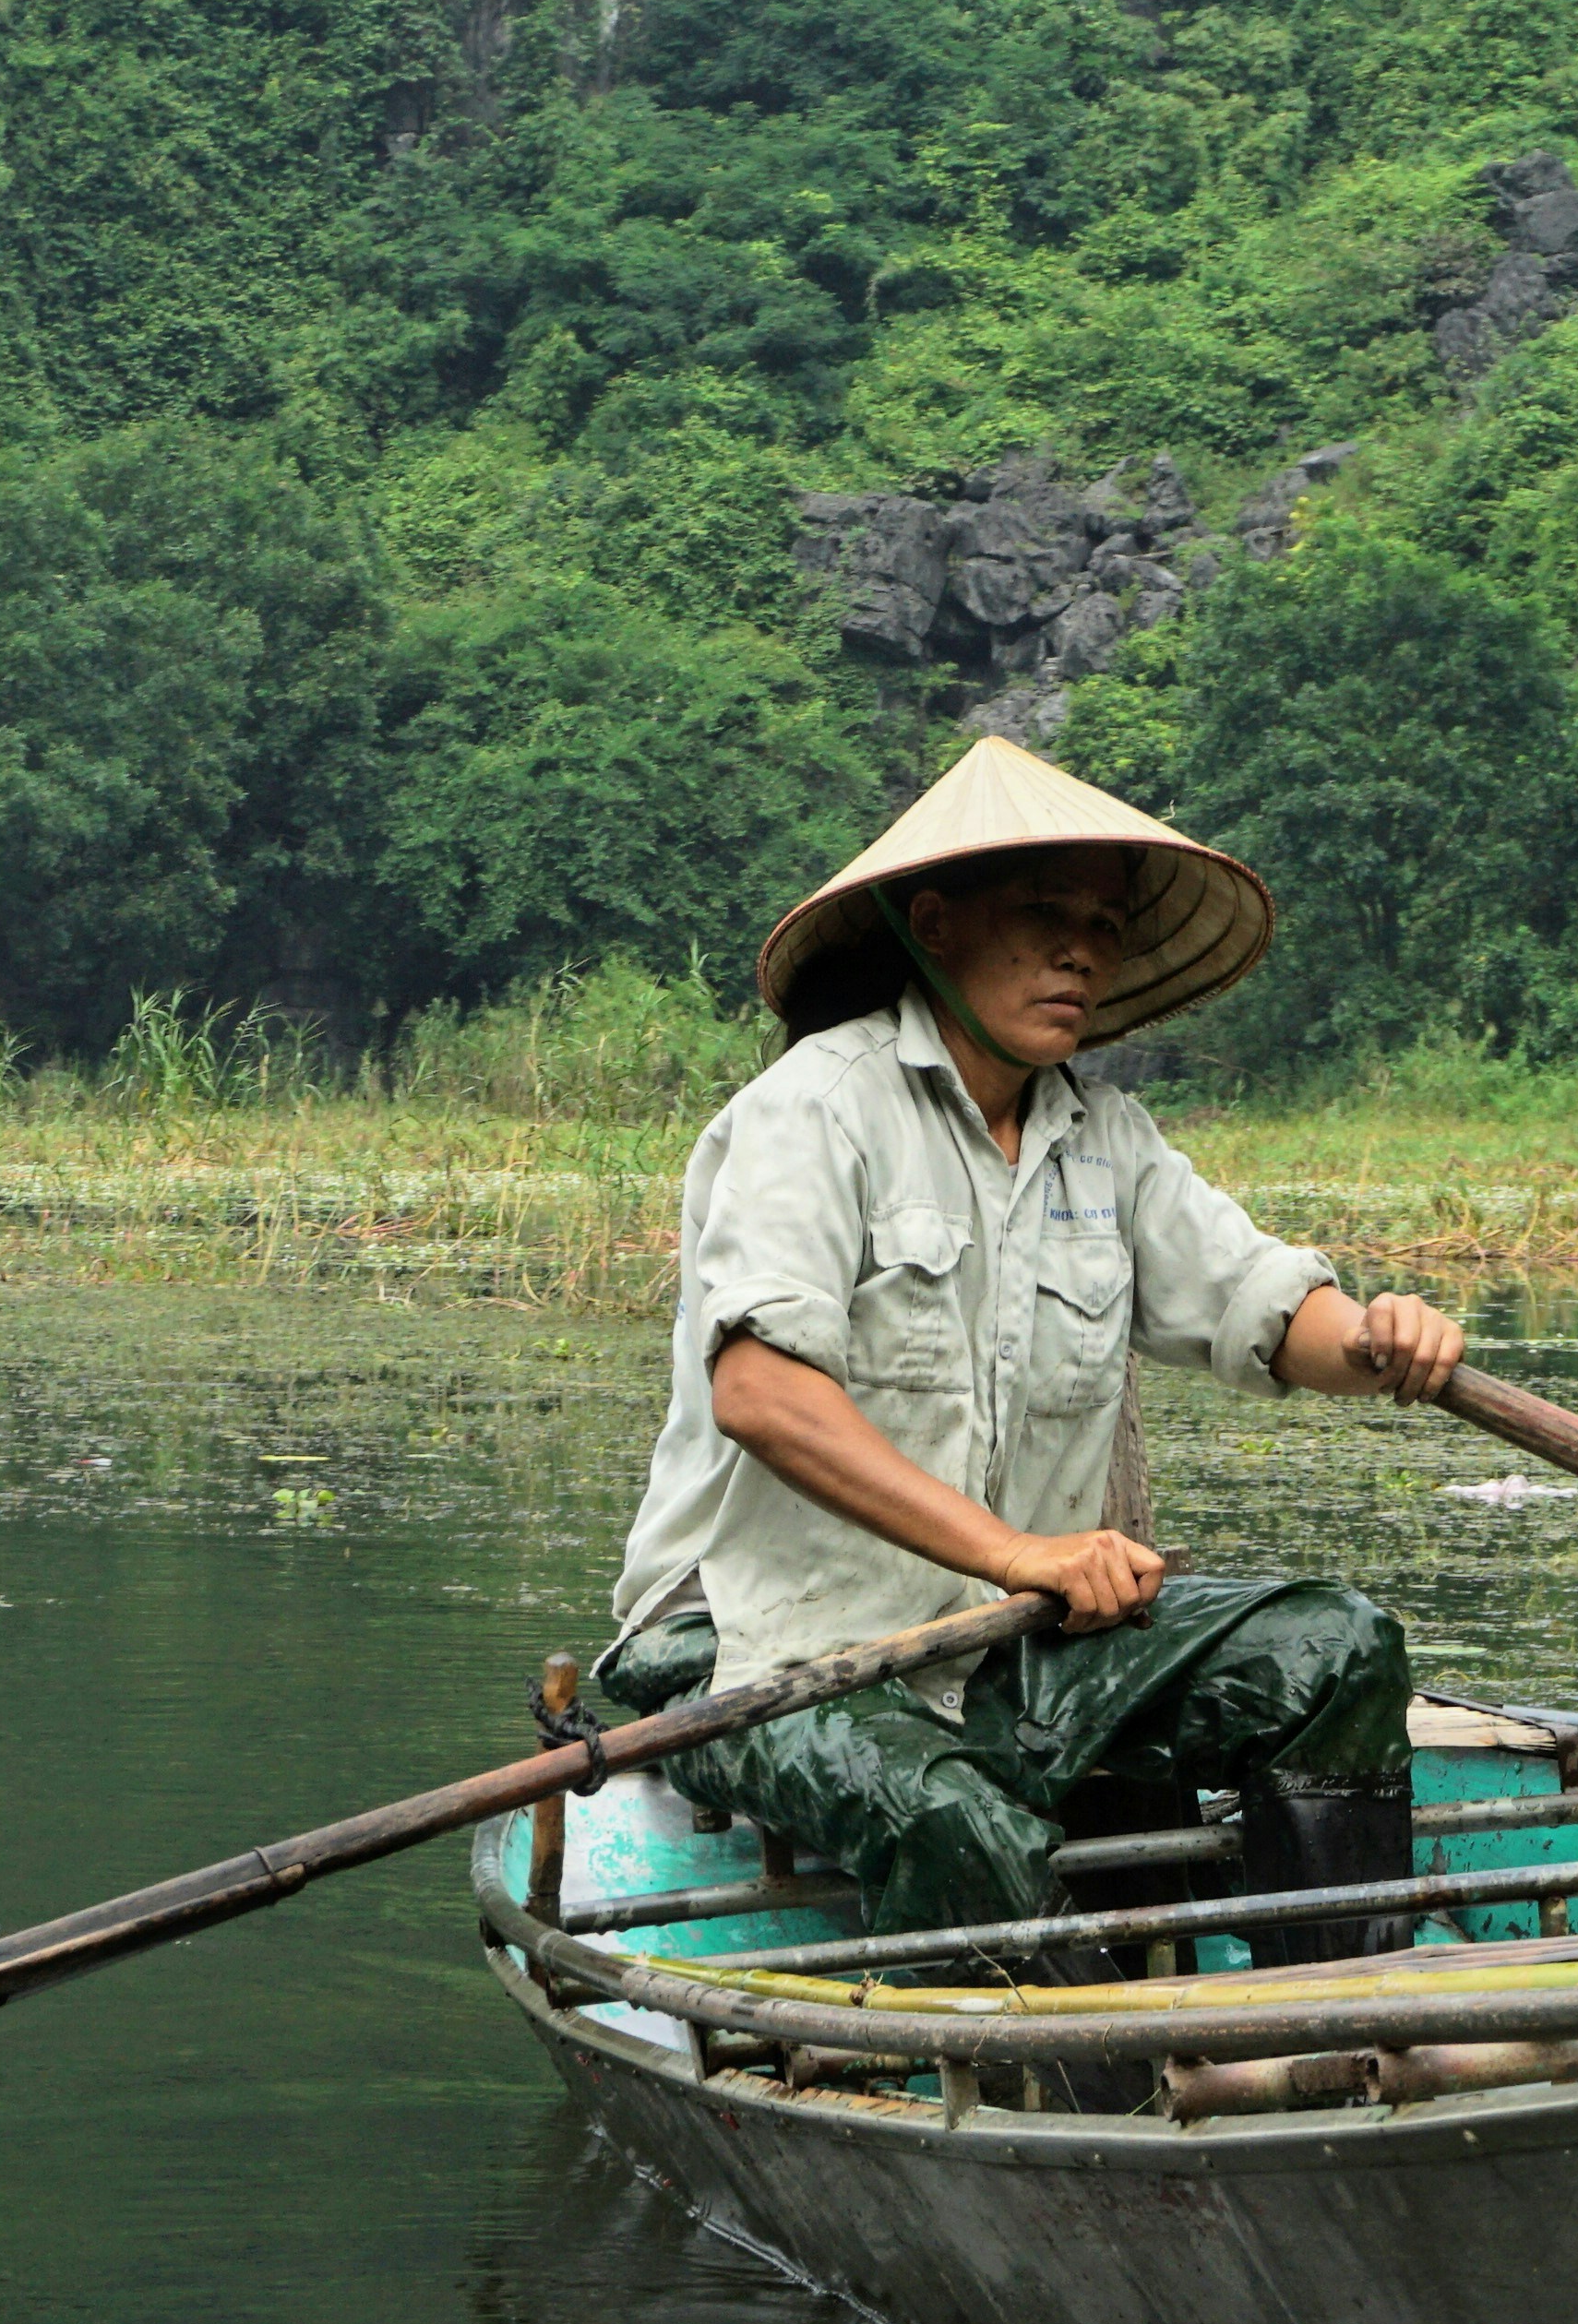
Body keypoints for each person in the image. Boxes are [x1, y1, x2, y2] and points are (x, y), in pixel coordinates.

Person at [592, 734, 1466, 1972]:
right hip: (763, 1647)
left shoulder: (1104, 1141)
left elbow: (1265, 1309)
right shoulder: (814, 1111)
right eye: (1045, 914)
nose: (1081, 952)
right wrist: (1019, 1553)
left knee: (1336, 1651)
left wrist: (1382, 1339)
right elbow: (761, 1393)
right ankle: (1080, 2114)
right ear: (936, 923)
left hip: (1005, 1646)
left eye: (1104, 926)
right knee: (959, 1828)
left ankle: (1334, 2034)